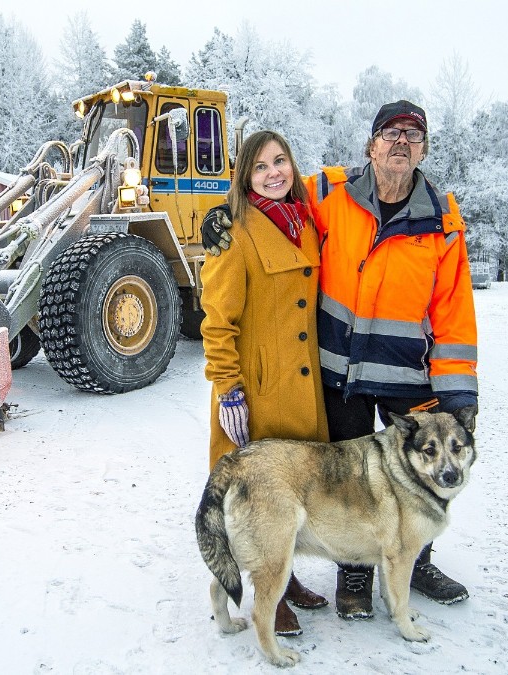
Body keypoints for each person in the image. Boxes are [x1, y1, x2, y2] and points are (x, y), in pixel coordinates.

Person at [203, 100, 479, 618]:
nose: (401, 143)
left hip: (408, 376)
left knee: (418, 474)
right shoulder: (330, 192)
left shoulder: (442, 216)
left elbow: (454, 308)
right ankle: (354, 573)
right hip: (341, 373)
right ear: (371, 145)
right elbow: (265, 185)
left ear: (423, 150)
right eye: (390, 134)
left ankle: (415, 562)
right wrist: (220, 215)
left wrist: (459, 393)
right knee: (351, 481)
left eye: (413, 136)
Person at [200, 129, 330, 637]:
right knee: (260, 500)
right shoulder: (232, 230)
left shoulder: (306, 223)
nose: (274, 173)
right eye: (260, 166)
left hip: (303, 389)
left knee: (293, 497)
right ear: (244, 175)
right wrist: (228, 387)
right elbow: (216, 320)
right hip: (258, 392)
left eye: (281, 161)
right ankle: (264, 591)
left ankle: (286, 575)